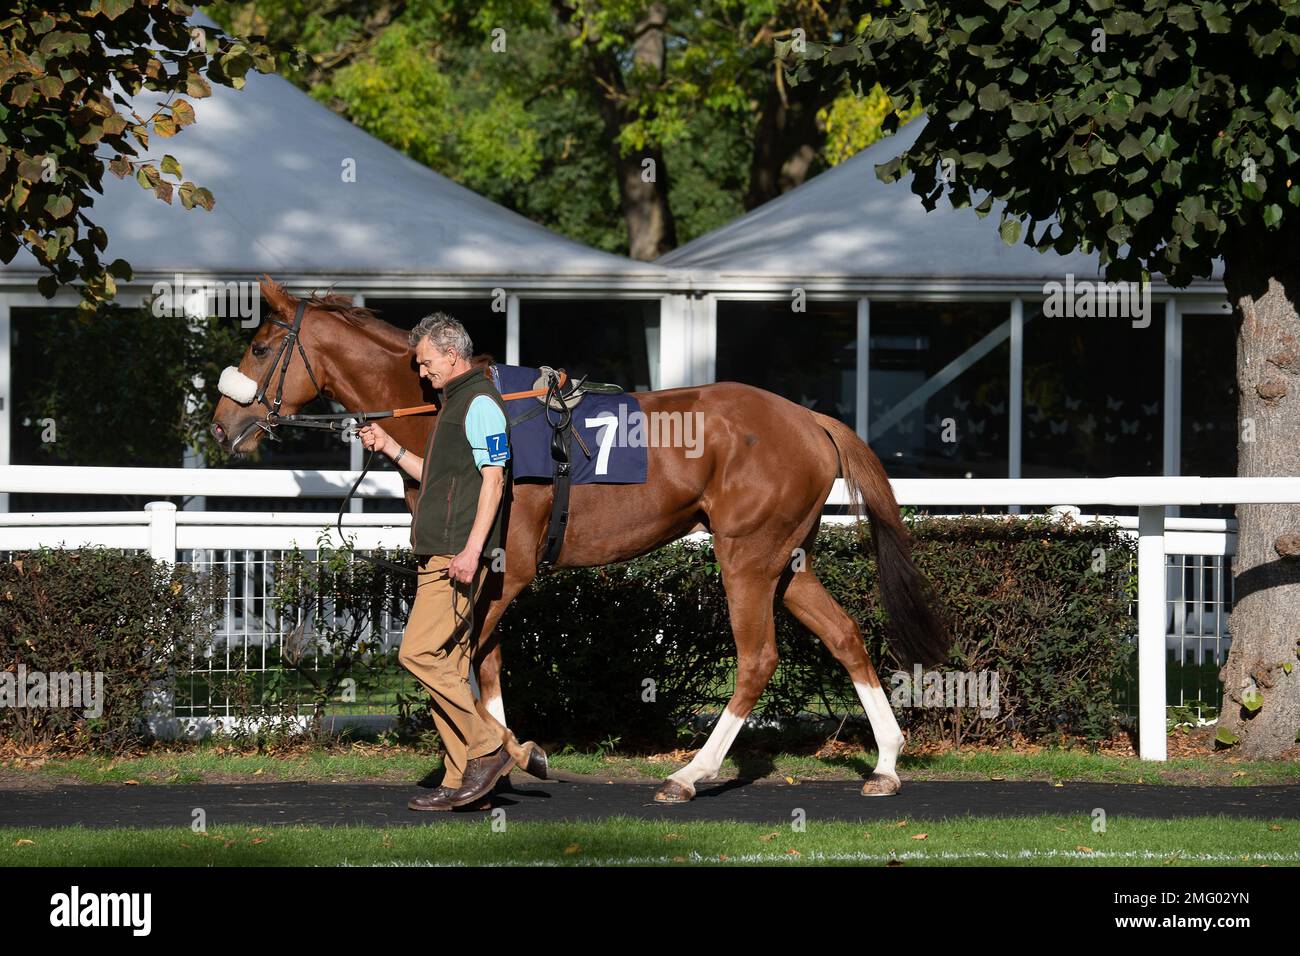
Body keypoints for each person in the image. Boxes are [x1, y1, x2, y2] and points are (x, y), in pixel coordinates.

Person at [358, 313, 514, 811]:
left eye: (426, 363)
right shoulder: (454, 404)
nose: (423, 373)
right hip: (442, 552)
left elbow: (494, 481)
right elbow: (439, 478)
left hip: (455, 556)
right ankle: (461, 781)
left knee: (418, 655)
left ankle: (488, 750)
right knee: (444, 666)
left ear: (452, 354)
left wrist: (471, 551)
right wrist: (391, 447)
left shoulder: (481, 403)